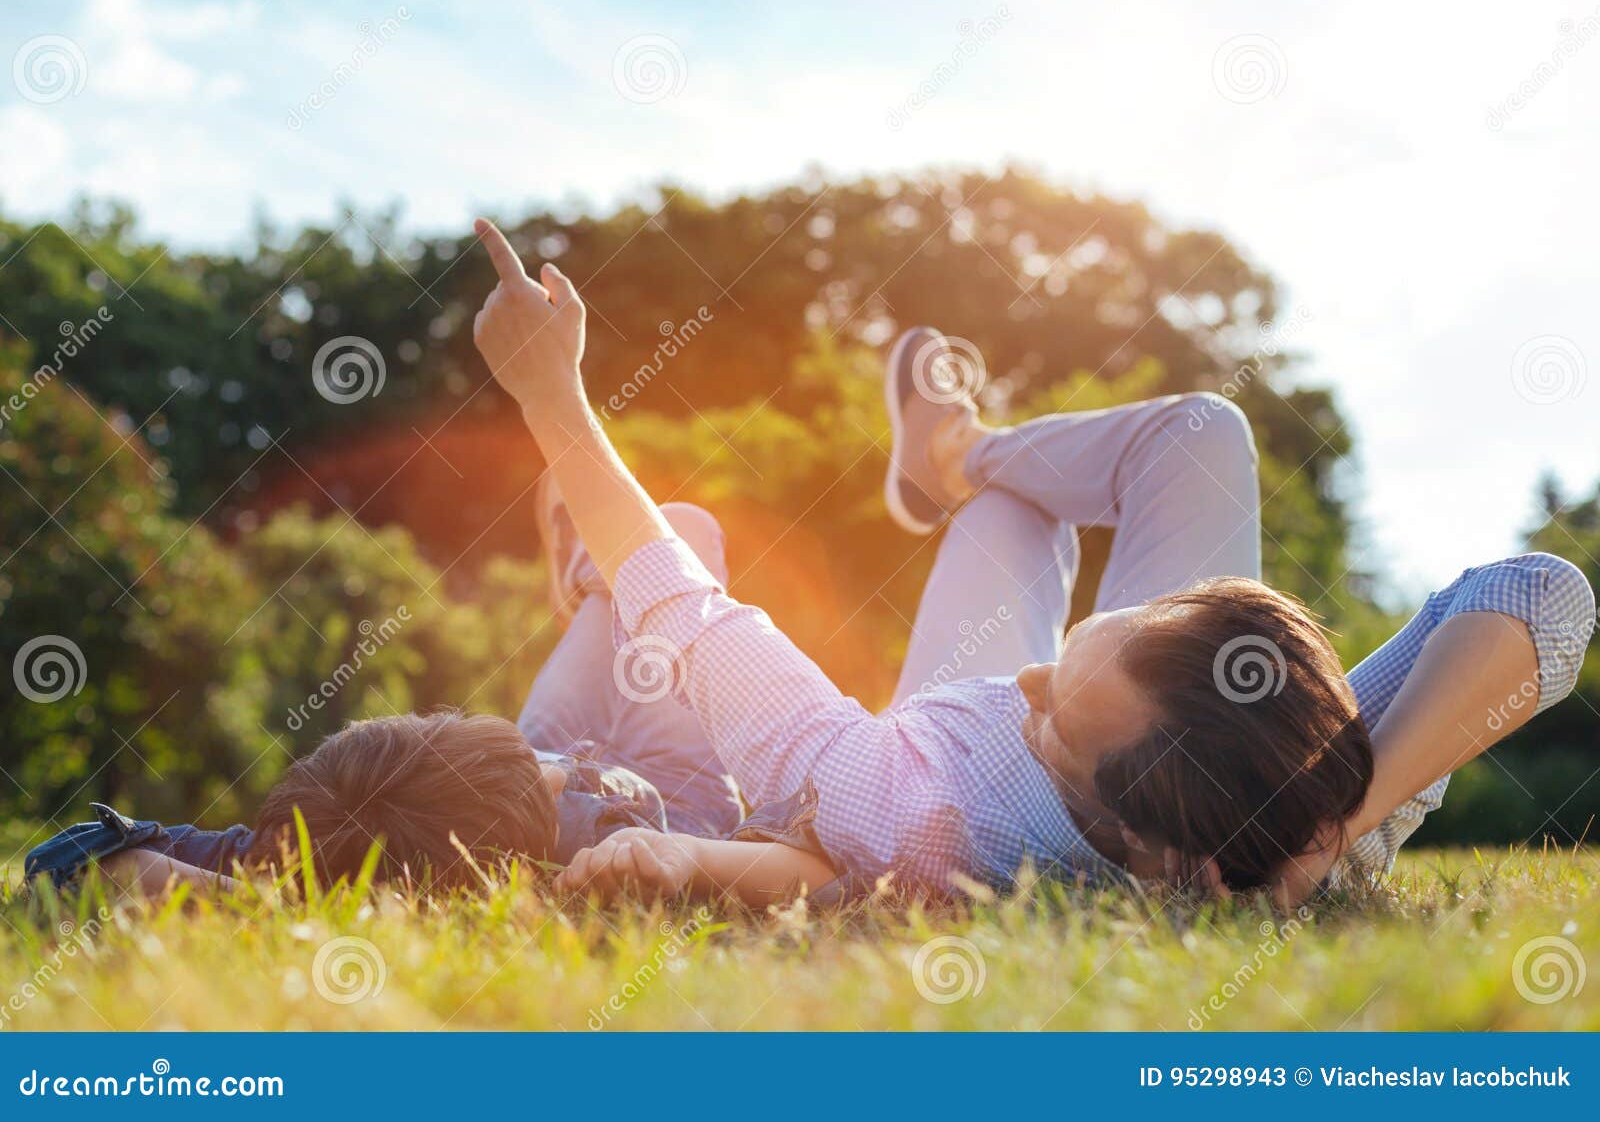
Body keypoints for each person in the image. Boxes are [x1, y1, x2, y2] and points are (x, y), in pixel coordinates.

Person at [469, 217, 1595, 907]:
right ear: (1208, 622)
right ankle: (956, 457)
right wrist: (1329, 833)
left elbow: (680, 595)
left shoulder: (889, 801)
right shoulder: (1263, 816)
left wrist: (550, 394)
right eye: (1083, 652)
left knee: (1022, 511)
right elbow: (1543, 595)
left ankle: (963, 461)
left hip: (931, 767)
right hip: (1265, 799)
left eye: (1055, 717)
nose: (1027, 681)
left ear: (1125, 818)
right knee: (1198, 435)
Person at [24, 509, 834, 906]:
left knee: (634, 572)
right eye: (543, 783)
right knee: (683, 532)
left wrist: (253, 902)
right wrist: (687, 857)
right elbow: (823, 877)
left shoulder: (311, 850)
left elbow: (61, 861)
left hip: (502, 772)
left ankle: (593, 583)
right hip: (666, 788)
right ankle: (600, 579)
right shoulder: (602, 867)